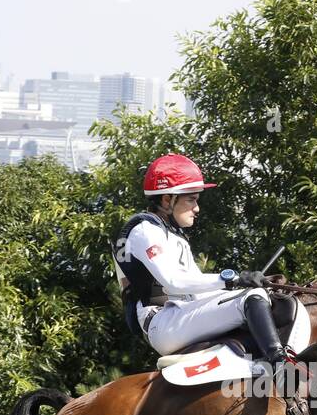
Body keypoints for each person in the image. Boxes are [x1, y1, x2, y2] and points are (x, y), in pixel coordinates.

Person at [112, 153, 295, 377]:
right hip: (162, 323)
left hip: (181, 316)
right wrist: (234, 279)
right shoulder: (145, 231)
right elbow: (175, 282)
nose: (197, 208)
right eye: (191, 199)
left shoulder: (174, 236)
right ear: (167, 200)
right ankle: (280, 365)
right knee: (251, 297)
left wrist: (248, 284)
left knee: (258, 295)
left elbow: (197, 293)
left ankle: (252, 366)